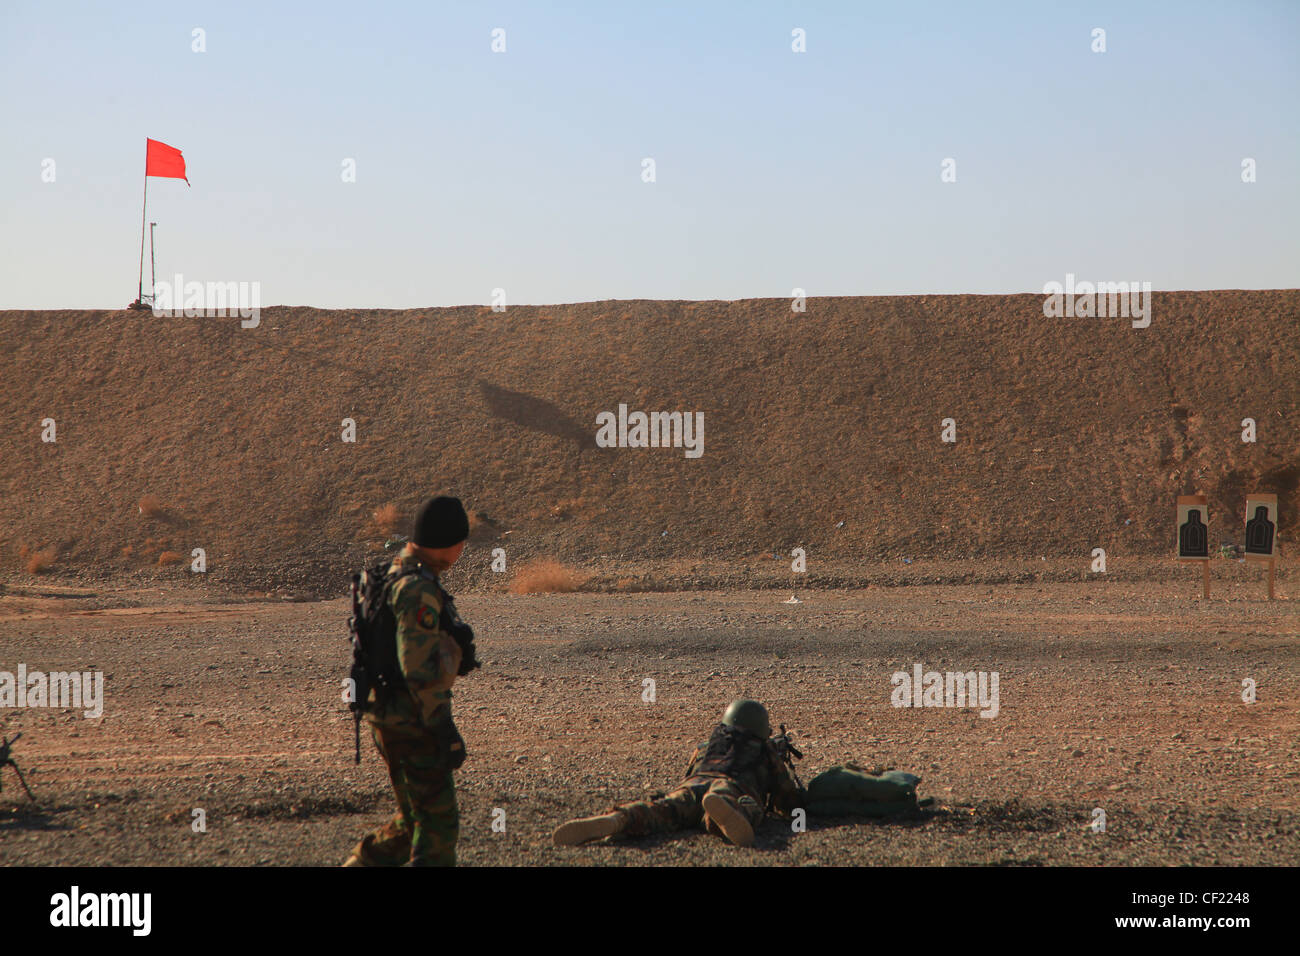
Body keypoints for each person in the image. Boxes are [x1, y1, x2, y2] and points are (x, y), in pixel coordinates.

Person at [344, 495, 476, 866]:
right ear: (447, 542)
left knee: (411, 824)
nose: (463, 550)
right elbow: (418, 671)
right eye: (461, 542)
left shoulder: (395, 571)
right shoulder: (418, 589)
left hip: (385, 715)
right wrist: (442, 727)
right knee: (437, 827)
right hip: (412, 721)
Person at [553, 699, 804, 848]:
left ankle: (620, 819)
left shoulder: (707, 746)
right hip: (731, 785)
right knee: (737, 804)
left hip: (694, 784)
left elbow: (691, 770)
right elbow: (786, 800)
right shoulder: (764, 749)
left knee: (664, 808)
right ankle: (722, 818)